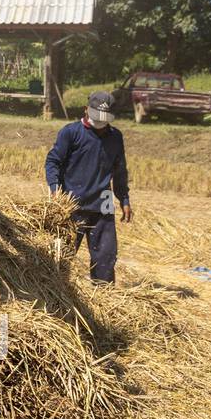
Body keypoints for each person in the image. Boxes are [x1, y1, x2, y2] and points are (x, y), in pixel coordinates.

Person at [44, 91, 132, 284]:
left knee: (106, 258)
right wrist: (54, 188)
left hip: (103, 206)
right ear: (86, 110)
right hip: (72, 205)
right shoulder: (71, 133)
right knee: (62, 256)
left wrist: (124, 199)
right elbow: (53, 162)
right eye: (97, 116)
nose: (100, 122)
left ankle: (103, 293)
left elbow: (120, 170)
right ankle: (57, 289)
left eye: (104, 118)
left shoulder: (115, 137)